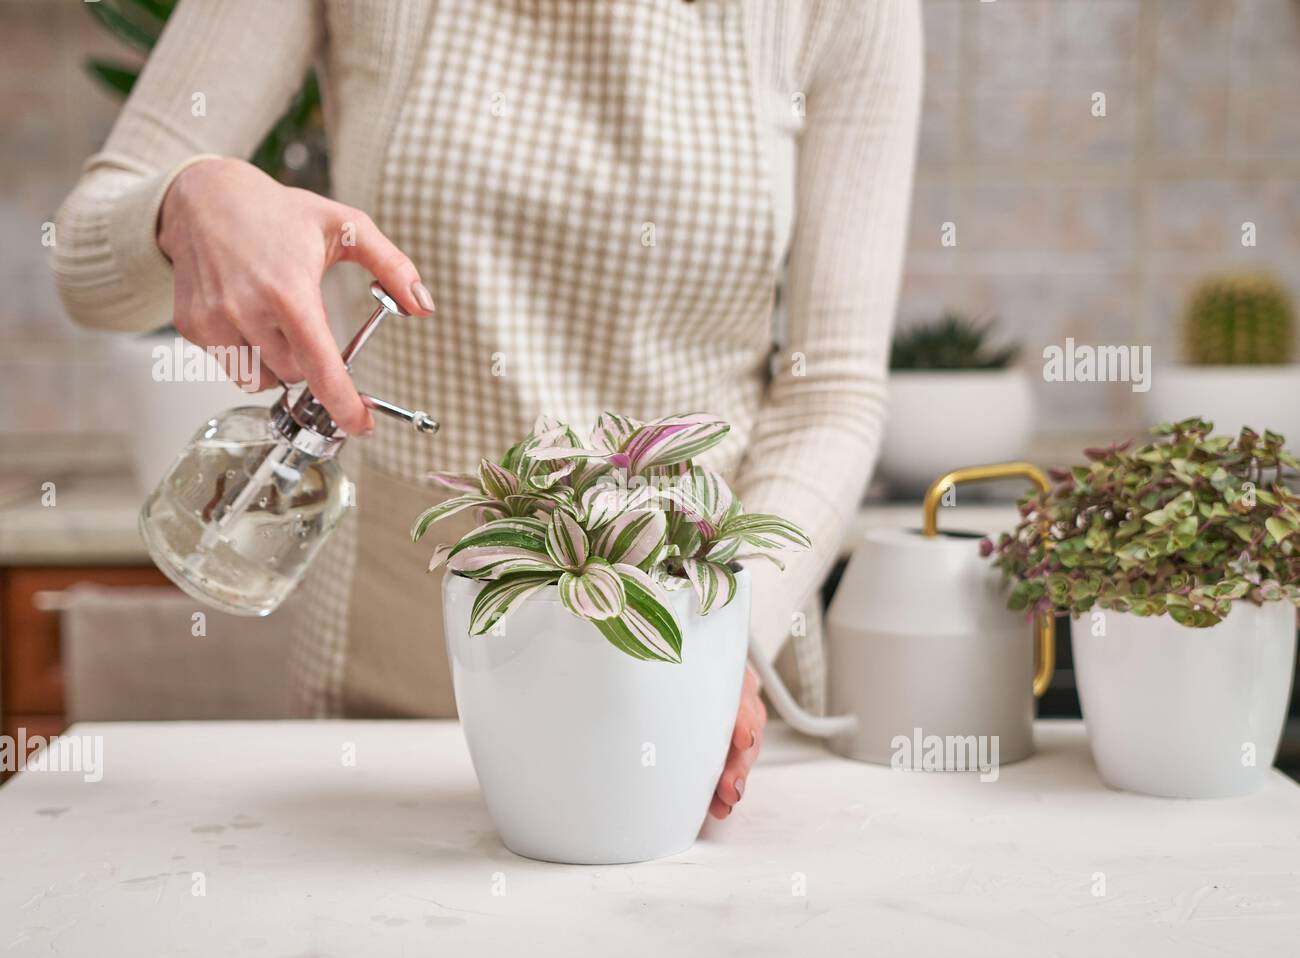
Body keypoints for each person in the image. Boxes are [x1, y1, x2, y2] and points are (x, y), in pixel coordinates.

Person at [53, 0, 921, 821]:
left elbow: (831, 391)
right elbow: (85, 261)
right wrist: (187, 203)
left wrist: (726, 632)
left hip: (697, 667)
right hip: (395, 693)